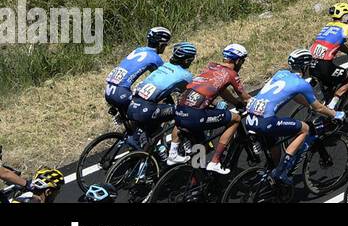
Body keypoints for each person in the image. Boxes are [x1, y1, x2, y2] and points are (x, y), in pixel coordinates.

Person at [243, 49, 344, 185]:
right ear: (305, 66)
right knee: (305, 129)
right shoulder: (302, 84)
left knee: (275, 151)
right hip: (265, 121)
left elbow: (294, 95)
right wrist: (335, 114)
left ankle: (270, 178)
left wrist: (308, 105)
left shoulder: (281, 73)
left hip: (250, 118)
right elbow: (318, 107)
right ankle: (282, 172)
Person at [171, 43, 250, 174]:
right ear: (237, 60)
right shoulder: (231, 73)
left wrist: (236, 103)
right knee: (235, 119)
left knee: (201, 147)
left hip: (179, 111)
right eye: (242, 61)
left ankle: (195, 184)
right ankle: (215, 162)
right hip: (195, 115)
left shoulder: (211, 67)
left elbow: (221, 90)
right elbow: (246, 98)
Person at [126, 41, 197, 139]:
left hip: (132, 104)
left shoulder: (164, 65)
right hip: (147, 110)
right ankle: (170, 150)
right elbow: (191, 96)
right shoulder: (185, 76)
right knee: (184, 112)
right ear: (187, 60)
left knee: (153, 129)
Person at [308, 2, 348, 107]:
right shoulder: (346, 28)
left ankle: (327, 107)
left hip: (312, 63)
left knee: (330, 87)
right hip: (324, 65)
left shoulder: (328, 26)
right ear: (345, 16)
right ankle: (332, 107)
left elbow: (338, 44)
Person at [103, 25, 171, 117]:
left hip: (108, 90)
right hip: (121, 93)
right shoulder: (155, 58)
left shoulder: (138, 50)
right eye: (165, 45)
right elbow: (164, 79)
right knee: (149, 112)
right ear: (160, 44)